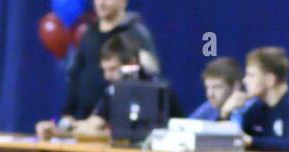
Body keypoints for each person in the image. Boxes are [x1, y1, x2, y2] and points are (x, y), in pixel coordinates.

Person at [37, 34, 181, 140]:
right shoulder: (113, 92)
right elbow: (92, 125)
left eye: (112, 69)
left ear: (132, 63)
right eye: (104, 70)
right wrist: (56, 130)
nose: (106, 76)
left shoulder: (162, 92)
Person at [55, 0, 159, 131]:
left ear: (123, 2)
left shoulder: (136, 34)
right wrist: (67, 114)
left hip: (117, 128)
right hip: (82, 124)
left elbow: (150, 78)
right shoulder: (88, 33)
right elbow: (75, 74)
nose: (101, 3)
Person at [188, 56, 250, 123]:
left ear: (235, 86)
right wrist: (223, 115)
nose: (210, 94)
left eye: (216, 87)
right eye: (207, 87)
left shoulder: (250, 109)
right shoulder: (207, 109)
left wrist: (225, 116)